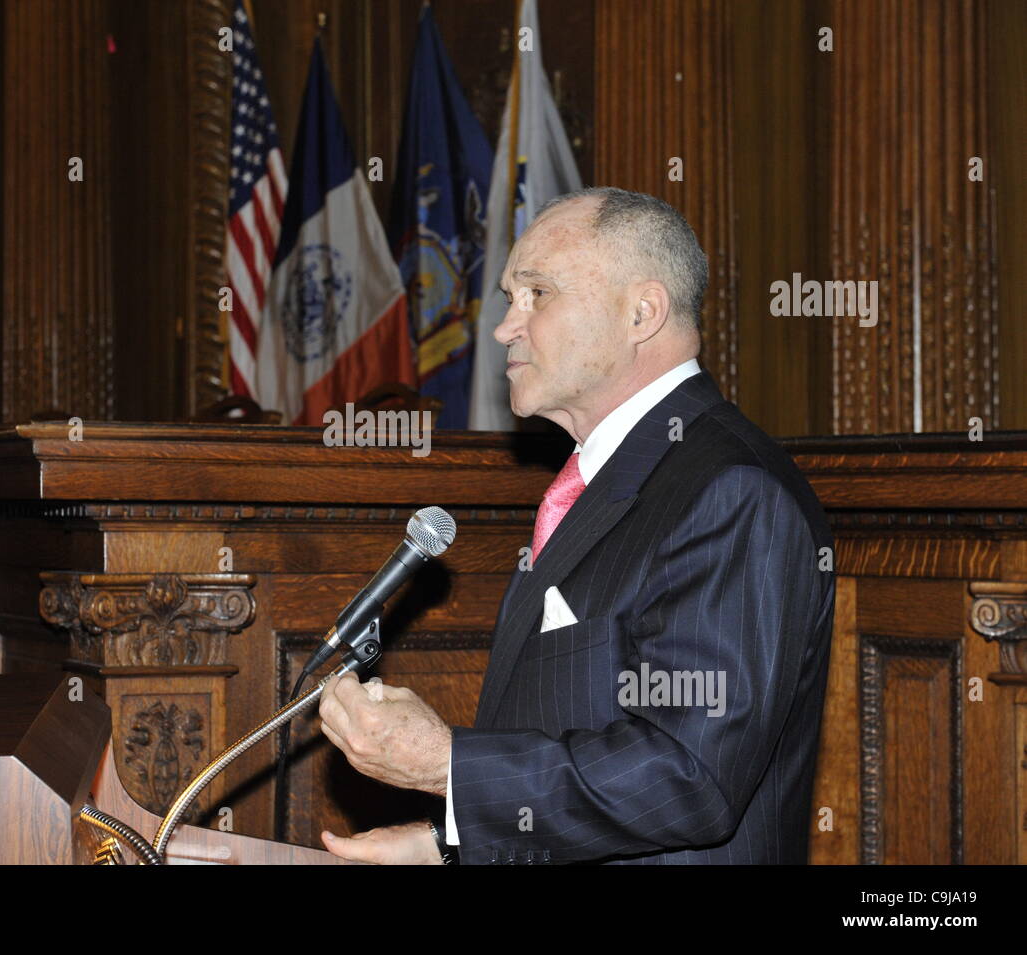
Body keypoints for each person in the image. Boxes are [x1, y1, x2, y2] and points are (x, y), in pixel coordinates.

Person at [317, 187, 835, 864]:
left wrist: (448, 764)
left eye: (537, 293)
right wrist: (446, 843)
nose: (505, 327)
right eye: (509, 297)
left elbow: (690, 776)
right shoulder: (598, 480)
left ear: (642, 312)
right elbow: (578, 740)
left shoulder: (730, 488)